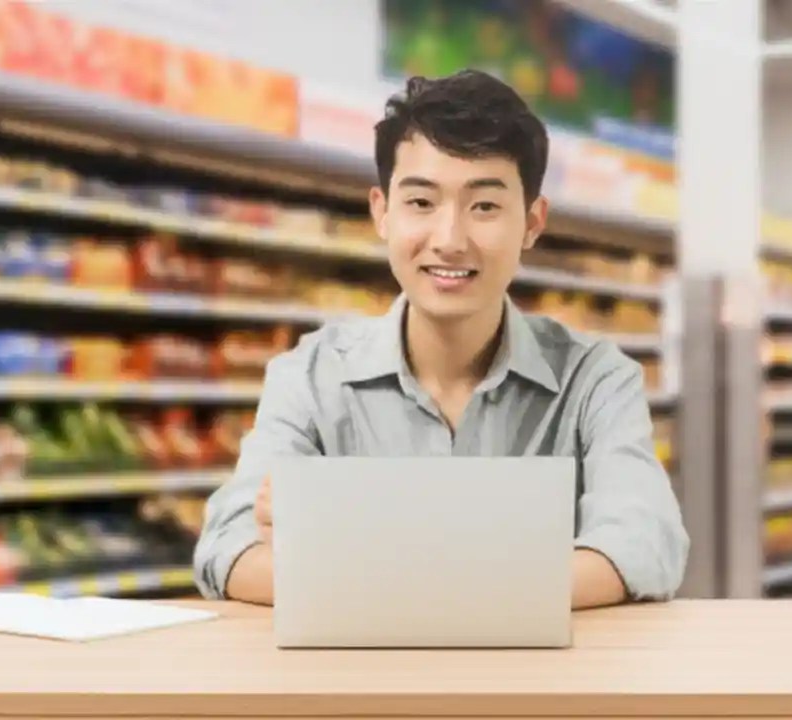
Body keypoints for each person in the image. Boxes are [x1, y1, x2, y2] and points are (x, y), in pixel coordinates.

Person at [194, 69, 688, 609]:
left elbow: (643, 544)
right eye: (422, 203)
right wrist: (485, 584)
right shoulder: (310, 377)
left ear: (532, 221)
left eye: (484, 207)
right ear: (381, 213)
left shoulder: (596, 380)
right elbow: (229, 547)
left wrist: (356, 564)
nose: (450, 240)